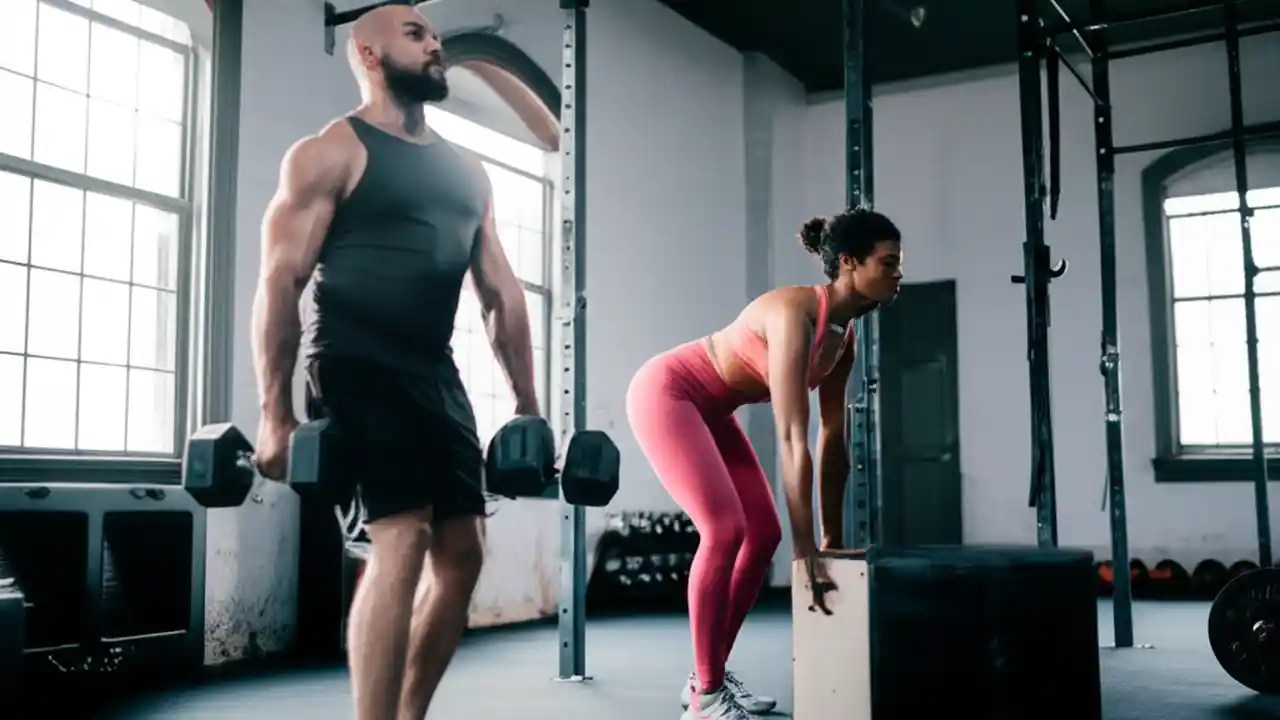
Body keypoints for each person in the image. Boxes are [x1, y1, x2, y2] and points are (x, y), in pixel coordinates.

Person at [249, 5, 539, 720]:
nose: (435, 45)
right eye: (416, 35)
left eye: (437, 36)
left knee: (464, 553)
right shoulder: (329, 152)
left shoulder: (468, 172)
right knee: (401, 536)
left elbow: (501, 296)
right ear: (368, 54)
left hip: (434, 374)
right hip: (353, 362)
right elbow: (280, 282)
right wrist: (274, 413)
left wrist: (529, 405)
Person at [626, 208, 904, 719]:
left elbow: (833, 436)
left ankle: (705, 675)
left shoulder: (845, 337)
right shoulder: (794, 313)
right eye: (888, 263)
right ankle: (707, 699)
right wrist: (805, 557)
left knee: (763, 534)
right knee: (726, 529)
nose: (898, 273)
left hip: (714, 409)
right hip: (669, 392)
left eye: (898, 263)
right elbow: (793, 437)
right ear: (848, 262)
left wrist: (829, 538)